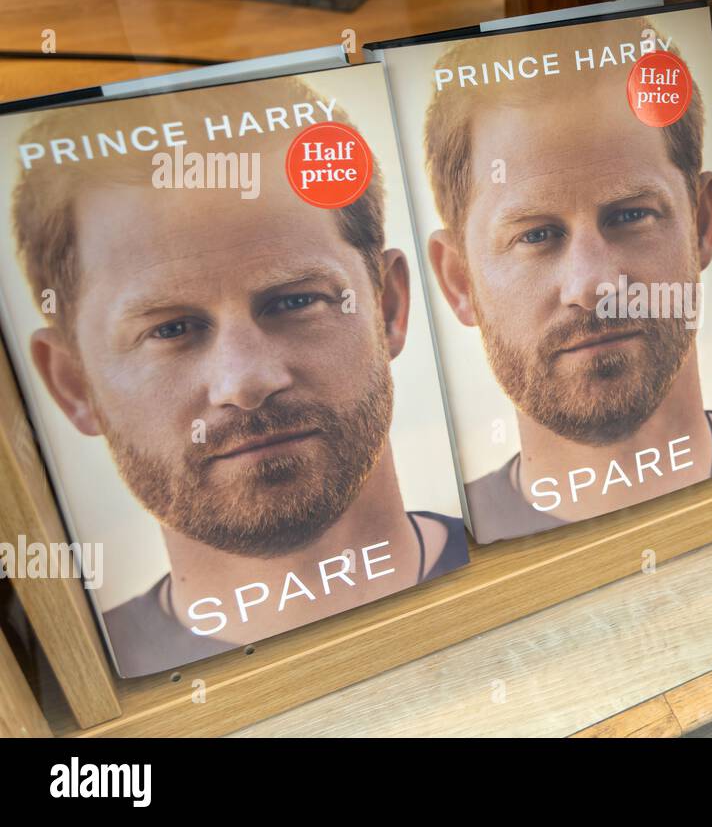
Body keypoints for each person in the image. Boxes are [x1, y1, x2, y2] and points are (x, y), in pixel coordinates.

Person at [10, 75, 467, 675]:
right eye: (171, 330)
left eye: (296, 301)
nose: (247, 381)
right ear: (74, 386)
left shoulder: (517, 551)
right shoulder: (76, 687)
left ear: (387, 308)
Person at [424, 19, 712, 542]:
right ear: (458, 280)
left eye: (630, 216)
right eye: (536, 236)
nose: (593, 284)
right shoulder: (454, 555)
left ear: (703, 224)